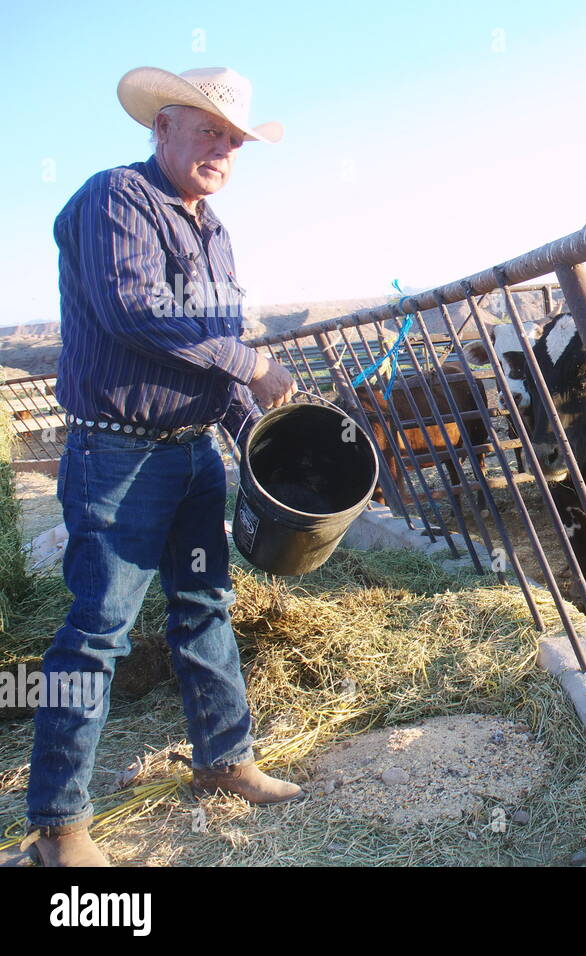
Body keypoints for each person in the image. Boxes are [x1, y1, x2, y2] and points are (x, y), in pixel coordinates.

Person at [23, 67, 302, 867]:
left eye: (234, 140)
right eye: (207, 130)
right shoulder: (113, 199)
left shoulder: (213, 230)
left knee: (206, 606)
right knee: (98, 632)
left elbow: (211, 356)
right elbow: (133, 309)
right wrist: (250, 363)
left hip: (190, 454)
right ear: (163, 128)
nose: (221, 149)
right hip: (115, 452)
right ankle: (59, 828)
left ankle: (224, 760)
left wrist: (261, 441)